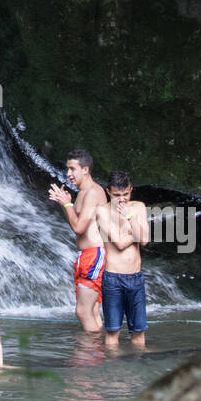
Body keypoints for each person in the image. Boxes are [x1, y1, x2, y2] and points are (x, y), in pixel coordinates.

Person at [48, 148, 106, 331]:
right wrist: (67, 204)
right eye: (68, 169)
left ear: (86, 169)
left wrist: (66, 204)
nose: (68, 174)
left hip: (94, 255)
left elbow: (78, 227)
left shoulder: (93, 193)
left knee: (83, 312)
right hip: (86, 255)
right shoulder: (82, 193)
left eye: (73, 169)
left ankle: (90, 354)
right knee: (92, 311)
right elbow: (78, 226)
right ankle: (98, 355)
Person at [95, 170, 150, 347]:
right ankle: (113, 371)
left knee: (139, 332)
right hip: (113, 278)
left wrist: (128, 217)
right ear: (108, 192)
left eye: (126, 194)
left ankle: (139, 369)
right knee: (112, 332)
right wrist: (134, 230)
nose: (122, 199)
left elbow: (144, 240)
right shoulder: (102, 211)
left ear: (131, 190)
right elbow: (118, 243)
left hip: (135, 277)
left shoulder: (138, 207)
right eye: (117, 195)